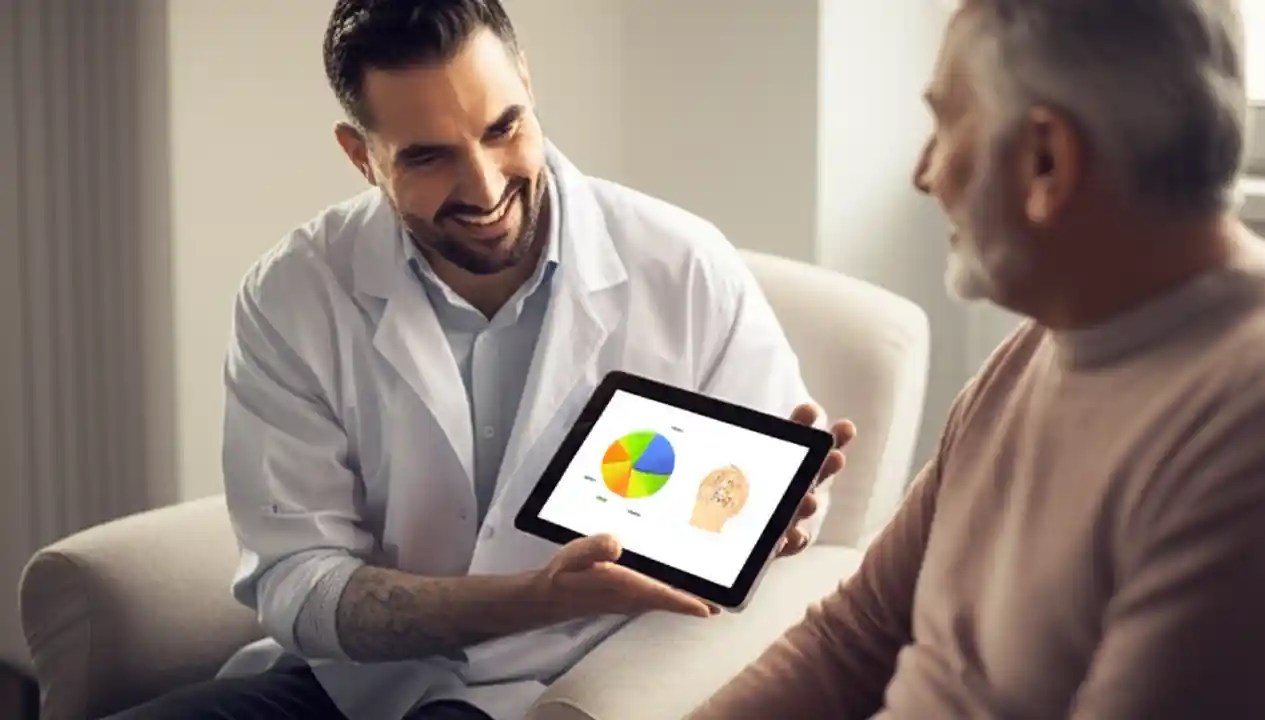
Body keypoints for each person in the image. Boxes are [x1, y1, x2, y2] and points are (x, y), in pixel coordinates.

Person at [106, 1, 853, 719]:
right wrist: (538, 595)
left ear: (527, 85)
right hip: (352, 685)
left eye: (504, 128)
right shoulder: (293, 294)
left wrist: (778, 523)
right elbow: (299, 585)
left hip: (572, 686)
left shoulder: (684, 266)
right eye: (428, 157)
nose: (486, 187)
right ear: (360, 155)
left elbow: (760, 530)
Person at [693, 0, 1265, 718]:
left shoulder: (1250, 433)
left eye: (944, 124)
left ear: (1046, 161)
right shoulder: (1046, 339)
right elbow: (854, 637)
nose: (924, 172)